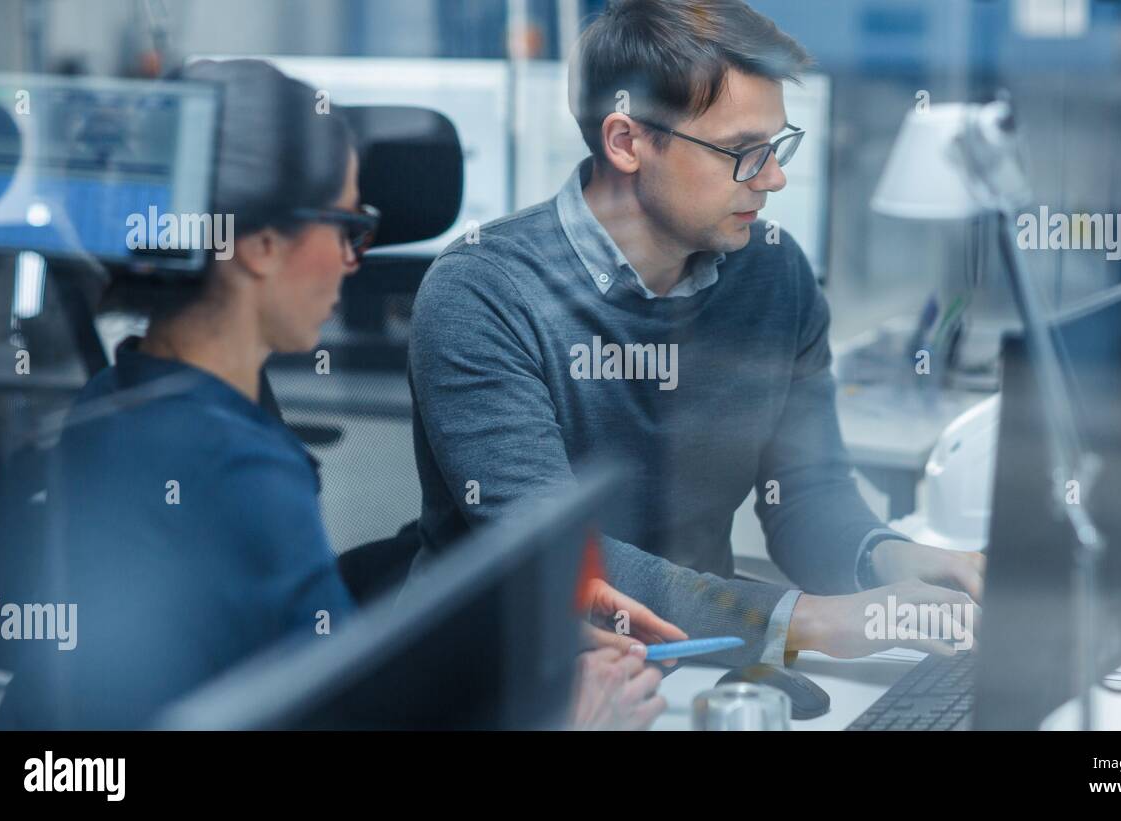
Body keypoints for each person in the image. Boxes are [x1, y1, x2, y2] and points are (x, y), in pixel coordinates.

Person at [0, 59, 666, 730]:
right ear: (259, 244)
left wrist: (507, 630)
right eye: (347, 224)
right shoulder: (241, 470)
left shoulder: (116, 401)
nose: (355, 257)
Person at [408, 0, 983, 670]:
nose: (773, 177)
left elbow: (807, 495)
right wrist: (811, 620)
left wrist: (893, 559)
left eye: (776, 146)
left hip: (702, 657)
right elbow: (559, 557)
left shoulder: (773, 272)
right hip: (512, 678)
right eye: (742, 152)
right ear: (626, 142)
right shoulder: (484, 292)